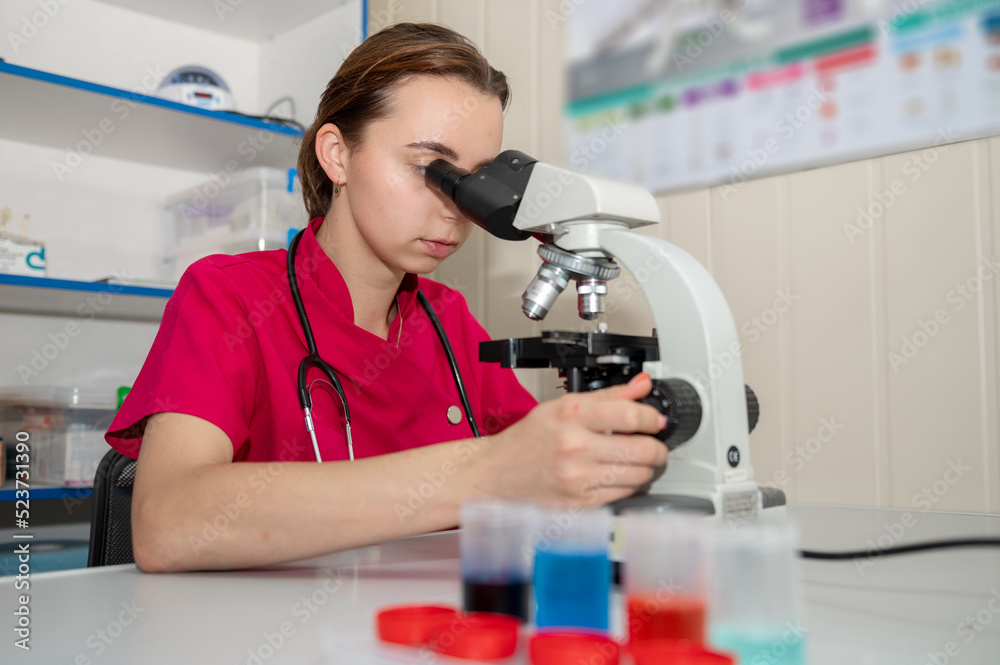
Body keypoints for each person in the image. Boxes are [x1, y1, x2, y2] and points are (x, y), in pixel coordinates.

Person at [106, 22, 668, 573]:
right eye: (430, 168)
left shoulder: (449, 321)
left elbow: (538, 475)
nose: (456, 206)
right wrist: (481, 473)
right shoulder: (230, 295)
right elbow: (167, 523)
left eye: (474, 179)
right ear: (337, 155)